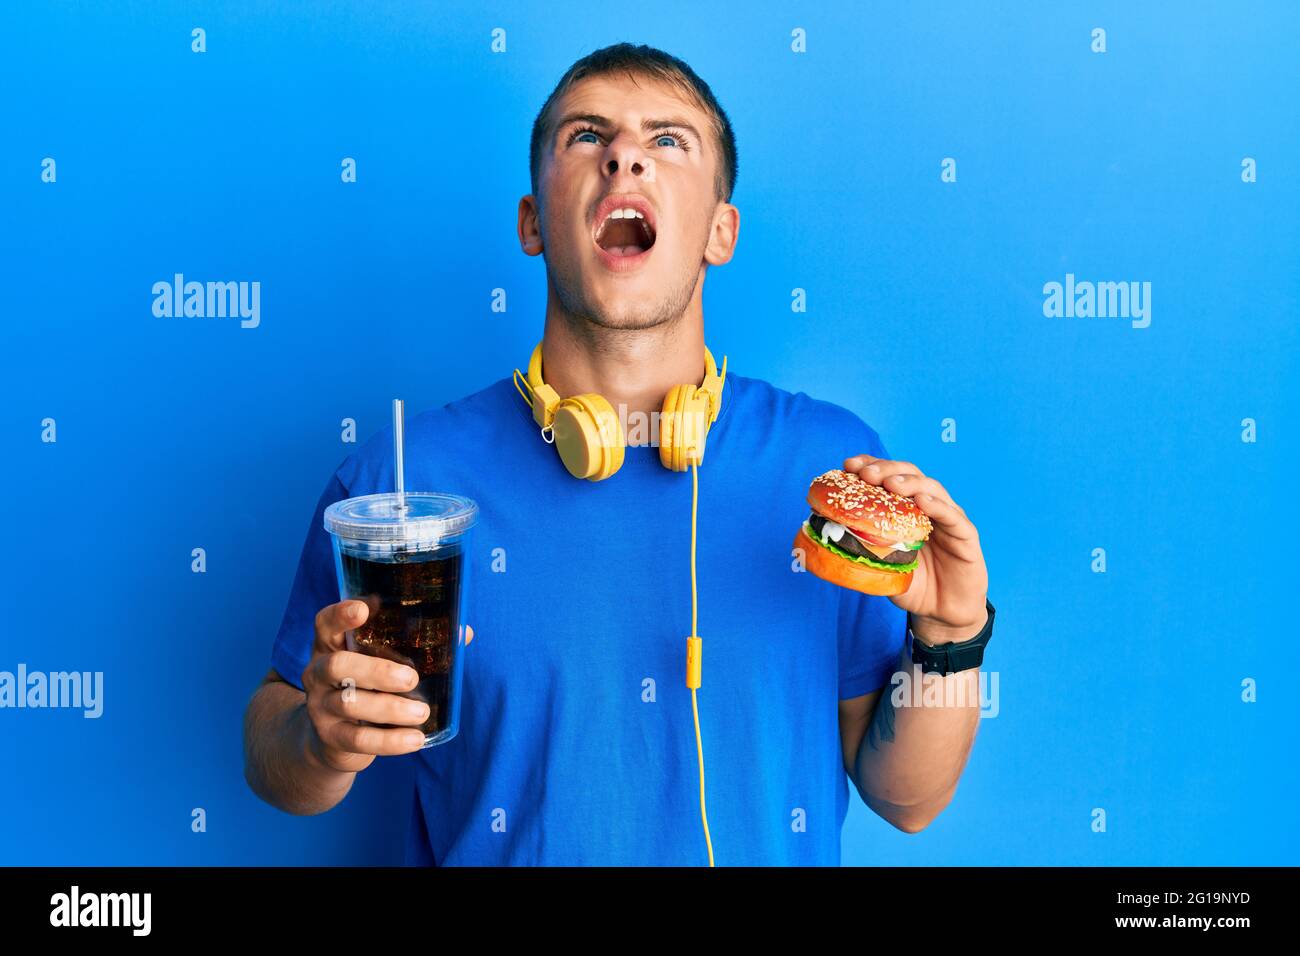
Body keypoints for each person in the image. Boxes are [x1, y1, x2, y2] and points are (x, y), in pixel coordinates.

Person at [242, 42, 991, 866]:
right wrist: (317, 740)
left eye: (668, 140)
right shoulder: (401, 481)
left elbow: (906, 800)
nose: (624, 154)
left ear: (719, 230)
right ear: (533, 223)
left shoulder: (832, 472)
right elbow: (272, 761)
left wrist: (950, 633)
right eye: (585, 136)